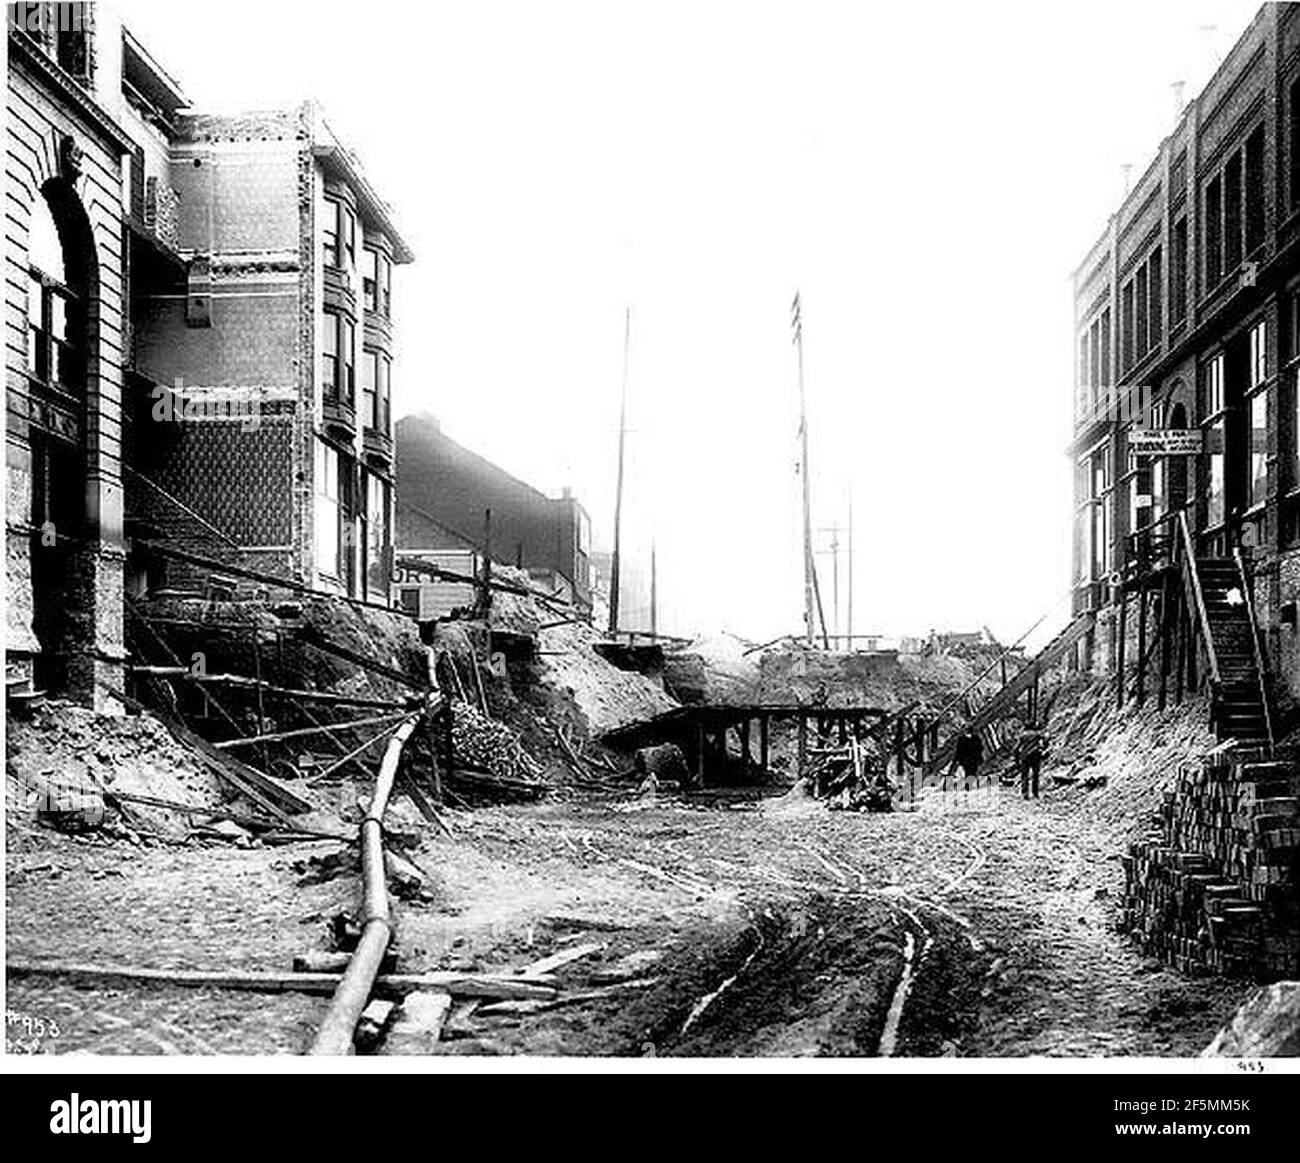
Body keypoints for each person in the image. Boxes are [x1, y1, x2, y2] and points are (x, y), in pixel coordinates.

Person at [1015, 726, 1046, 800]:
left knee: (1024, 775)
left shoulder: (1023, 735)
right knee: (1035, 775)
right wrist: (1043, 748)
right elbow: (1045, 739)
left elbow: (1016, 748)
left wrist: (1016, 758)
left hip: (1025, 757)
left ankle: (1025, 794)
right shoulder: (1038, 734)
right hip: (1036, 756)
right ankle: (1035, 793)